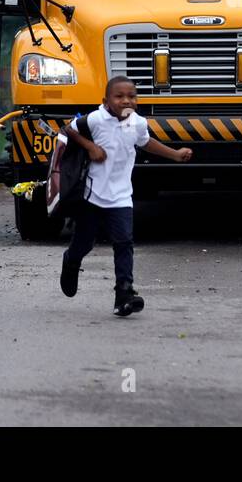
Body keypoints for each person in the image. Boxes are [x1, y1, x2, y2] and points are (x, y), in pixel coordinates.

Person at [58, 75, 191, 316]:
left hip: (121, 196)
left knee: (124, 243)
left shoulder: (138, 123)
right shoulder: (96, 120)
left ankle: (124, 294)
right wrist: (91, 147)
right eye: (119, 96)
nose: (126, 101)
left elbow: (145, 142)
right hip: (92, 195)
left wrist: (174, 154)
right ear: (106, 100)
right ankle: (71, 261)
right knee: (85, 242)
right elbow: (69, 129)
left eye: (131, 96)